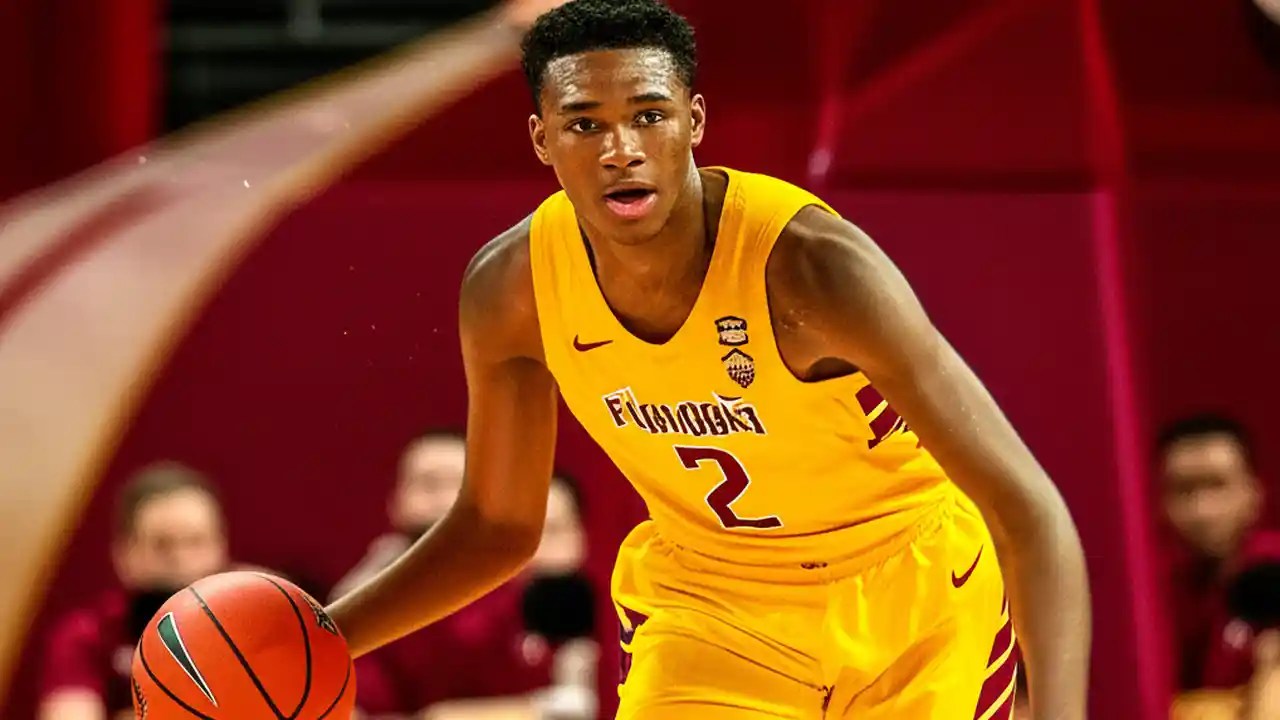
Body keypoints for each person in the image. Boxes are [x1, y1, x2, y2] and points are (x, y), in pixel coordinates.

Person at [326, 1, 1090, 718]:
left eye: (648, 115)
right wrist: (321, 640)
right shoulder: (513, 288)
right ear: (541, 138)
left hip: (908, 592)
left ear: (693, 121)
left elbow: (1029, 511)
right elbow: (497, 523)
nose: (621, 151)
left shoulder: (813, 268)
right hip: (712, 600)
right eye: (585, 124)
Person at [37, 462, 230, 720]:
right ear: (124, 553)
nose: (181, 559)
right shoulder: (87, 635)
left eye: (196, 542)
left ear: (221, 546)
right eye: (162, 545)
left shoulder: (249, 628)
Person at [1158, 414, 1280, 693]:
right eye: (1183, 490)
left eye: (1217, 485)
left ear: (1254, 493)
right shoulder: (1152, 595)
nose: (1201, 511)